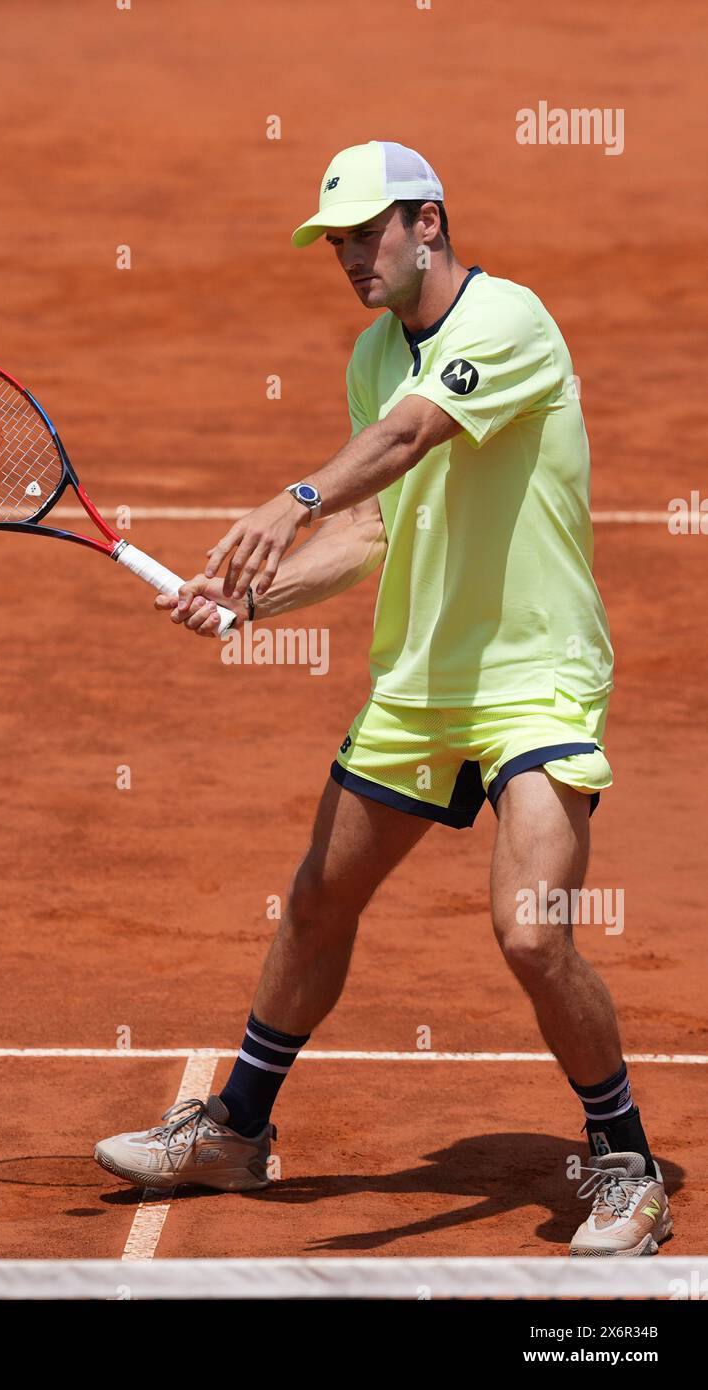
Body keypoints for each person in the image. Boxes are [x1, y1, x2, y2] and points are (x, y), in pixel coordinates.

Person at [94, 141, 672, 1256]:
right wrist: (250, 599)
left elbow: (406, 437)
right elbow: (371, 527)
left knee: (530, 933)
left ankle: (623, 1167)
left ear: (429, 223)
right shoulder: (373, 355)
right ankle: (236, 1133)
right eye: (337, 241)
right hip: (420, 682)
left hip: (534, 677)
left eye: (368, 234)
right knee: (319, 899)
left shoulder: (509, 320)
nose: (351, 257)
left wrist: (287, 499)